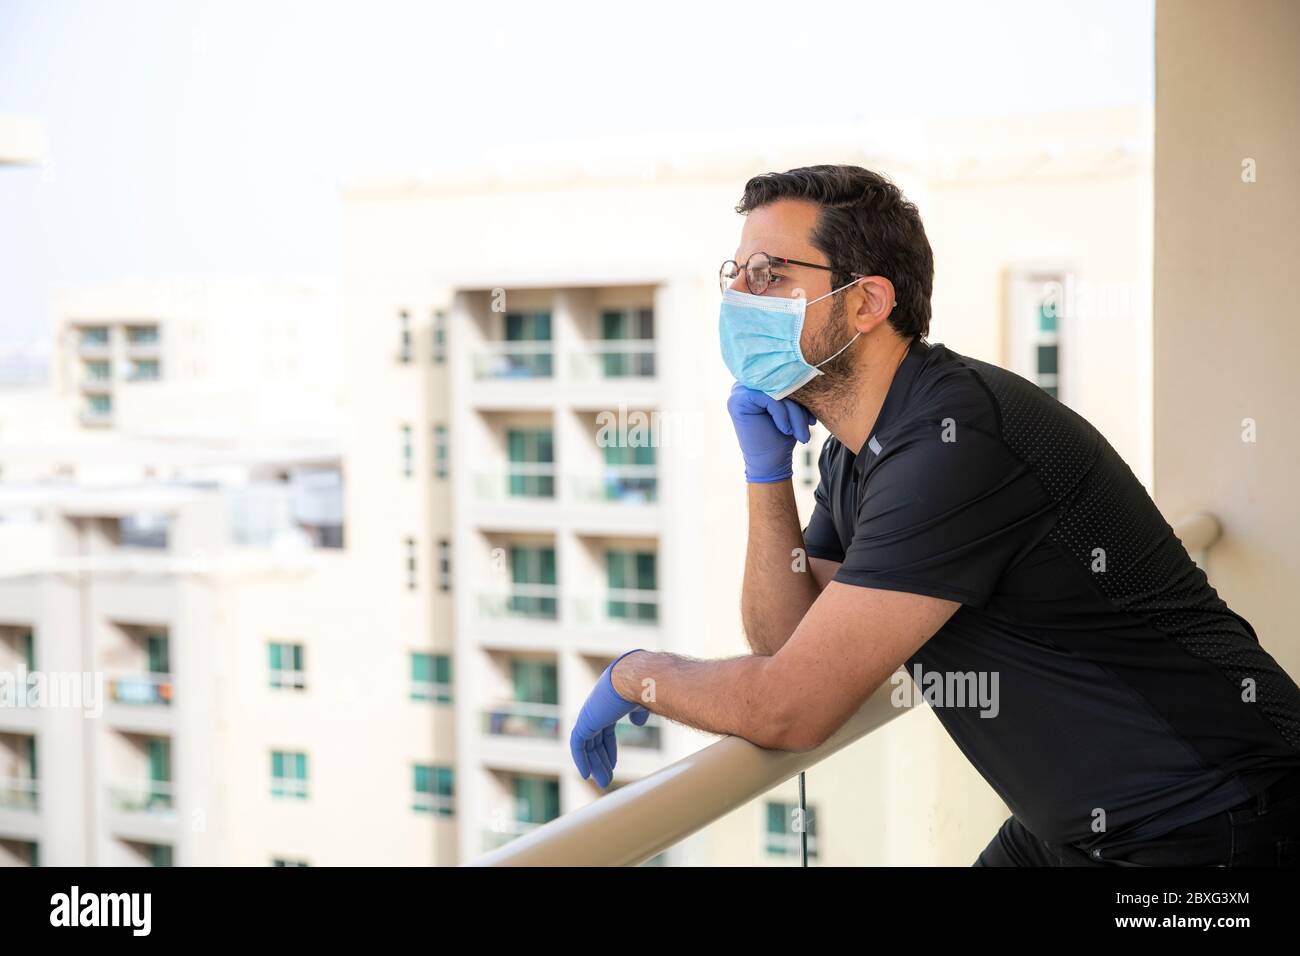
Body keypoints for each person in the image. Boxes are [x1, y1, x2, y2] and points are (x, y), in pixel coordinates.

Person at [569, 164, 1300, 866]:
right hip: (1087, 823)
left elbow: (792, 707)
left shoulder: (953, 444)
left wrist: (640, 674)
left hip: (1220, 822)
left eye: (771, 275)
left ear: (867, 302)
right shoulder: (860, 448)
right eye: (738, 276)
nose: (741, 298)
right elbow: (783, 640)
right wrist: (766, 474)